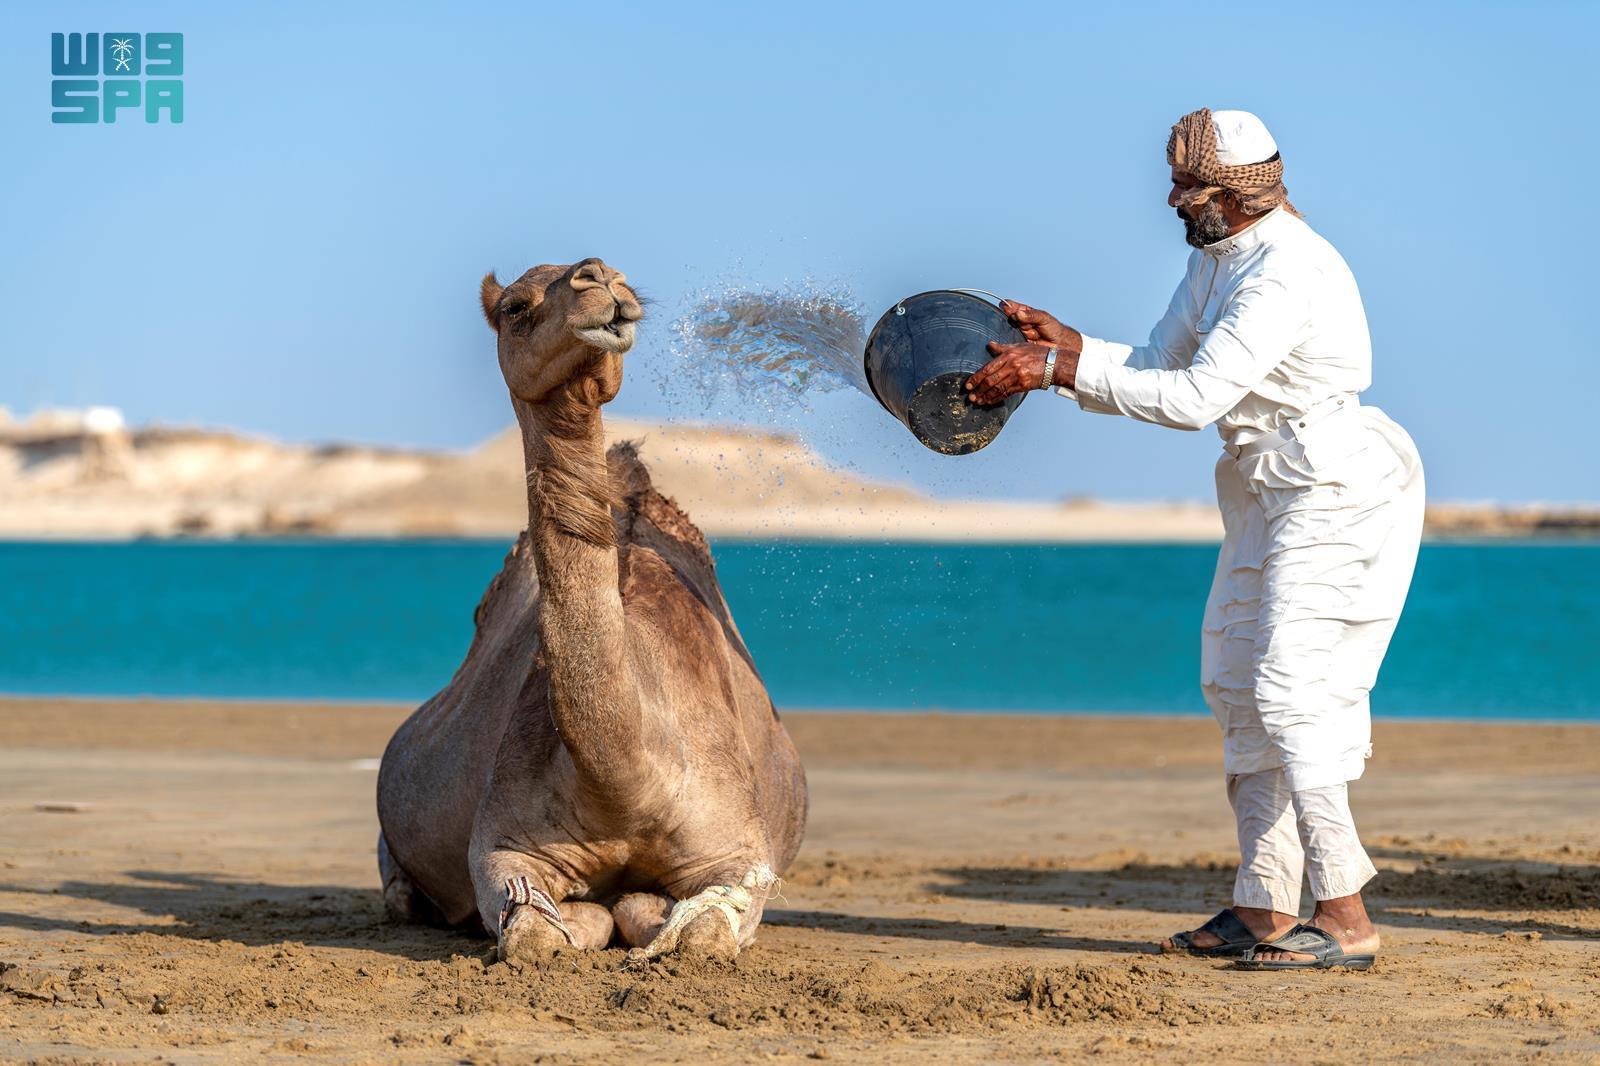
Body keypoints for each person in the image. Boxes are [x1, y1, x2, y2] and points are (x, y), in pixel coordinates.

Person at [966, 108, 1424, 970]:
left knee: (1292, 686)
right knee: (1236, 682)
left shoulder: (1284, 272)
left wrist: (1058, 371)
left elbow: (1193, 398)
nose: (1174, 200)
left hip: (1333, 484)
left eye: (1191, 187)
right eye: (1176, 183)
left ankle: (1348, 918)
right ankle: (1262, 906)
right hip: (1263, 484)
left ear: (1240, 193)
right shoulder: (1213, 260)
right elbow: (1157, 362)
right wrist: (1071, 348)